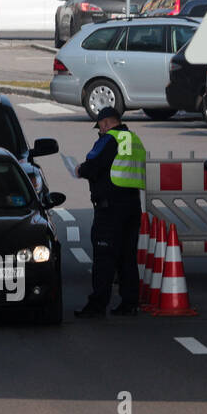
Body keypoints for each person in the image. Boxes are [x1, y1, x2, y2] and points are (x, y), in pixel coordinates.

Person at [74, 107, 146, 318]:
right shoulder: (134, 140)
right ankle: (129, 302)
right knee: (127, 256)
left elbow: (93, 166)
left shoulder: (109, 139)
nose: (100, 131)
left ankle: (97, 305)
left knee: (104, 257)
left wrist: (79, 170)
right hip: (132, 206)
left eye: (100, 127)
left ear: (105, 123)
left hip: (109, 208)